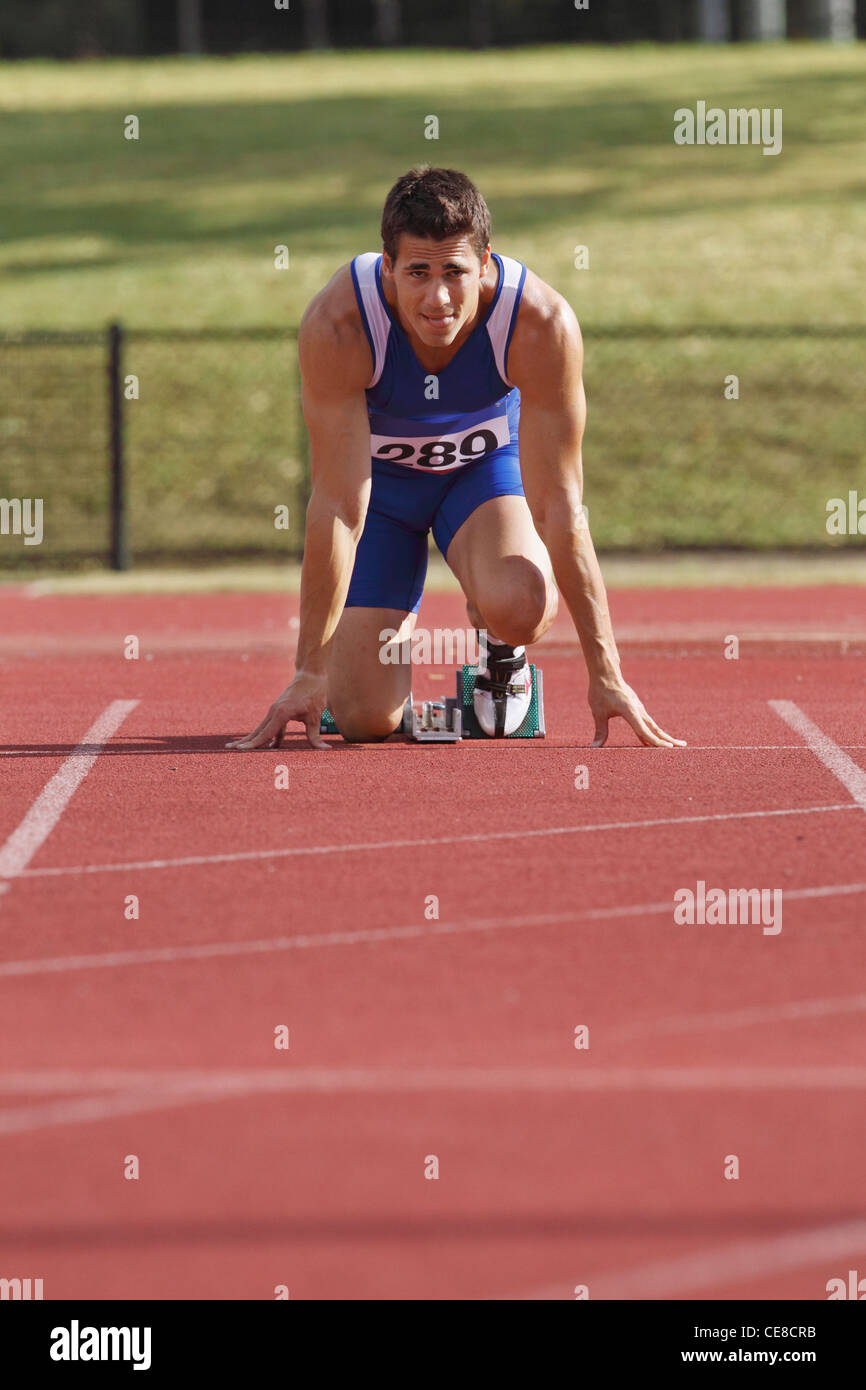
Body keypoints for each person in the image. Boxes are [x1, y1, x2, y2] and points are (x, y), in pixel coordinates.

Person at [228, 166, 684, 751]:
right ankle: (365, 685)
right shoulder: (338, 324)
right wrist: (309, 671)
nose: (438, 298)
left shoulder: (540, 323)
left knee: (518, 602)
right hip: (382, 494)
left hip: (481, 476)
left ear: (486, 264)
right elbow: (340, 505)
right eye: (417, 273)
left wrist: (607, 672)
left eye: (454, 273)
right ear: (387, 268)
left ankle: (502, 650)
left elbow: (561, 507)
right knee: (365, 721)